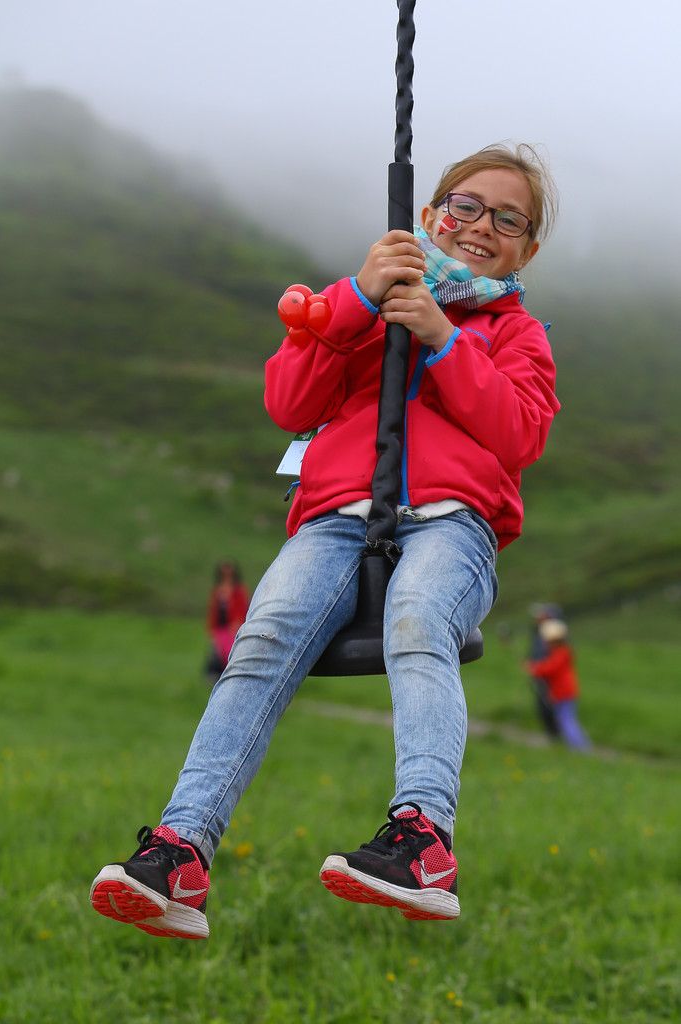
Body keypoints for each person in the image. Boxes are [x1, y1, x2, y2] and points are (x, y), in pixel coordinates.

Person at [90, 144, 560, 938]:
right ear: (427, 214)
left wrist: (443, 340)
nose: (481, 226)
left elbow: (518, 434)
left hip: (454, 523)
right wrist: (351, 302)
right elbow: (288, 398)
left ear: (528, 248)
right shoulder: (366, 308)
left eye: (507, 219)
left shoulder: (516, 335)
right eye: (465, 205)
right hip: (337, 515)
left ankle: (422, 841)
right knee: (262, 637)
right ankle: (180, 852)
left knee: (418, 619)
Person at [526, 619, 591, 750]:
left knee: (567, 721)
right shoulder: (561, 652)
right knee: (565, 720)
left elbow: (550, 668)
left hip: (564, 693)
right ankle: (577, 746)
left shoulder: (562, 653)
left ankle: (581, 748)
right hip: (562, 693)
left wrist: (534, 669)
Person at [204, 561, 250, 685]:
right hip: (220, 627)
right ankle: (215, 676)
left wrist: (238, 623)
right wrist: (212, 629)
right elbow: (213, 611)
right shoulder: (217, 590)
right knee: (218, 652)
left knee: (231, 652)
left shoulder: (238, 590)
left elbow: (242, 607)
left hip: (233, 627)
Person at [526, 602, 564, 738]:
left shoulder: (555, 635)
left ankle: (558, 735)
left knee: (551, 707)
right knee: (542, 706)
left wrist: (538, 668)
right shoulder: (538, 632)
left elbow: (554, 661)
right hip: (539, 676)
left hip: (550, 679)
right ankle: (553, 736)